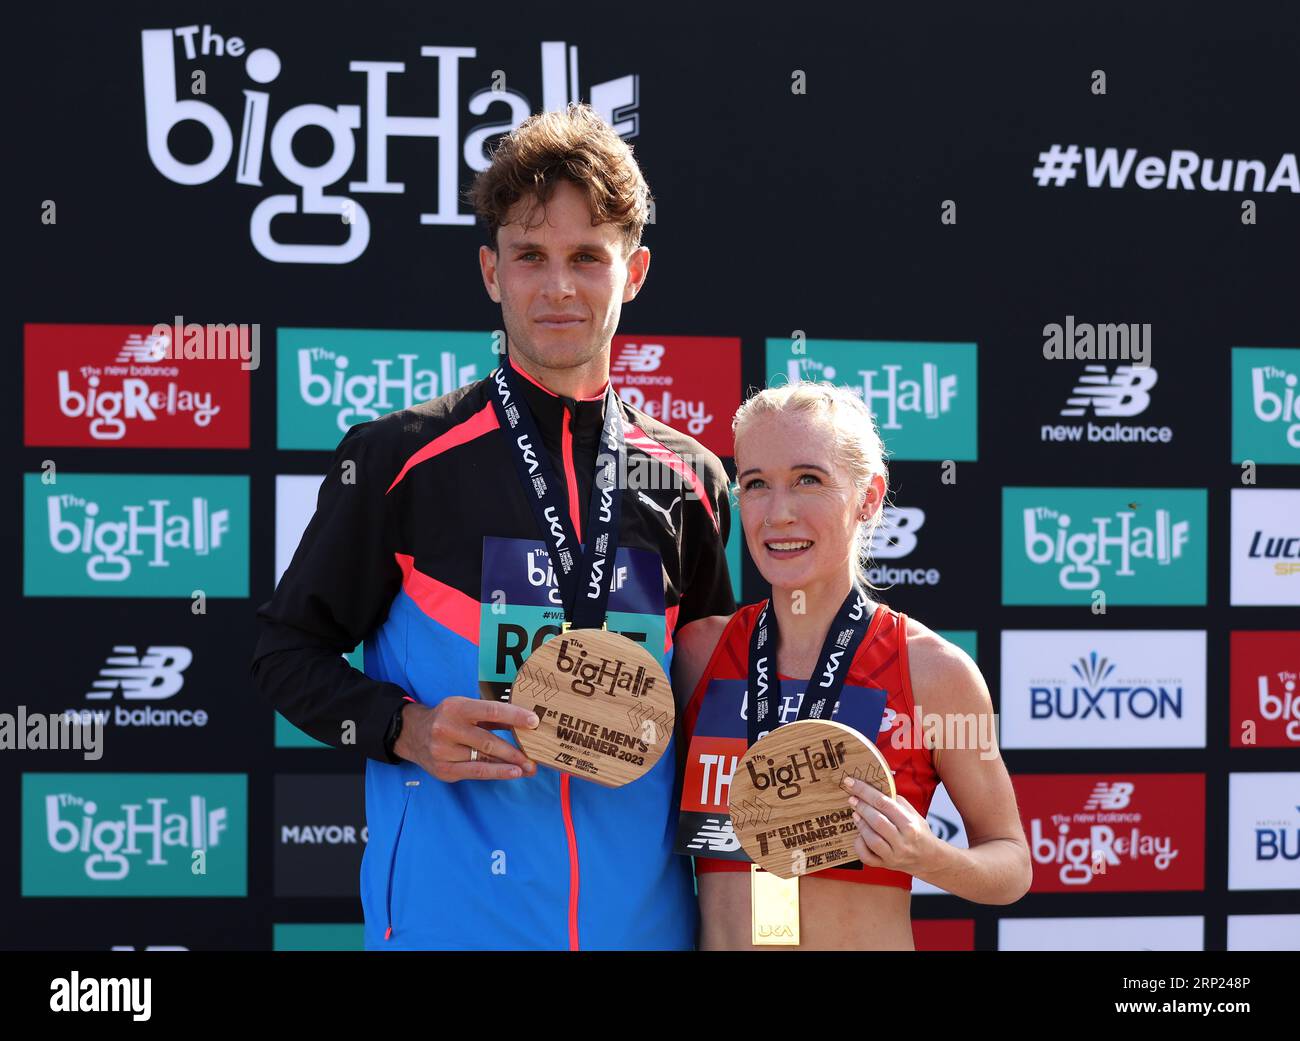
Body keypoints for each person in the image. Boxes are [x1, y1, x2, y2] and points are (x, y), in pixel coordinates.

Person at [250, 103, 736, 950]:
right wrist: (405, 727)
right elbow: (282, 653)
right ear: (490, 271)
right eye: (530, 257)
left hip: (649, 932)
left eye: (588, 257)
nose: (557, 287)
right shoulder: (400, 457)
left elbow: (714, 716)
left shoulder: (691, 479)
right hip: (455, 927)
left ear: (635, 272)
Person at [671, 381, 1032, 950]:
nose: (778, 512)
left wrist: (925, 854)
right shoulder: (698, 654)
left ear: (869, 497)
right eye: (756, 484)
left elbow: (1011, 865)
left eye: (808, 480)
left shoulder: (934, 672)